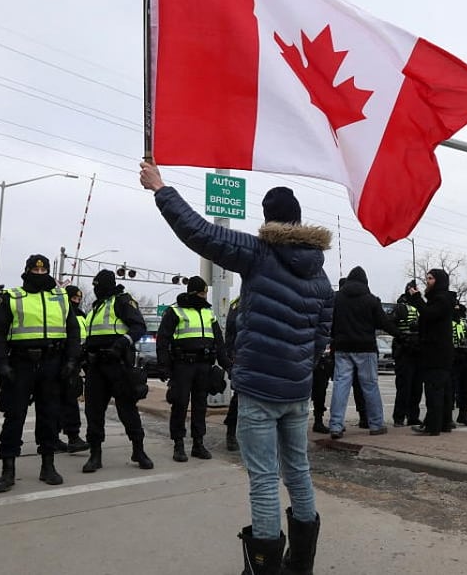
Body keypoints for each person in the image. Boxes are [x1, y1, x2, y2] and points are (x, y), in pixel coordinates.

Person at [141, 163, 331, 575]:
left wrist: (161, 189)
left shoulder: (258, 253)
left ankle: (263, 567)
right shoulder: (321, 276)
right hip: (297, 392)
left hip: (259, 391)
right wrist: (300, 367)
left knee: (263, 479)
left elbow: (199, 232)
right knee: (298, 472)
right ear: (299, 221)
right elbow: (321, 337)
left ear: (267, 220)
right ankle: (301, 565)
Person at [0, 255, 81, 493]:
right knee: (14, 417)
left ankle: (48, 466)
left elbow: (73, 332)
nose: (39, 274)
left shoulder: (61, 297)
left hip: (52, 363)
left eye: (43, 270)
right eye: (35, 270)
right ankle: (8, 470)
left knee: (49, 417)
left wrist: (72, 360)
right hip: (21, 364)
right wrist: (1, 363)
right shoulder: (12, 297)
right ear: (27, 270)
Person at [82, 269, 151, 472]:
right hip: (95, 366)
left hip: (117, 365)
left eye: (98, 286)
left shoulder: (122, 301)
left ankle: (138, 450)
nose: (95, 289)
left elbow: (139, 327)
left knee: (127, 409)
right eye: (94, 286)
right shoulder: (96, 307)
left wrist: (121, 344)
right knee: (93, 411)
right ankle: (95, 454)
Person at [157, 275, 225, 461]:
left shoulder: (208, 312)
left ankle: (198, 443)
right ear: (195, 292)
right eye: (202, 293)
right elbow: (163, 339)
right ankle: (178, 444)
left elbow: (219, 341)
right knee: (180, 403)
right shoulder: (175, 311)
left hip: (204, 365)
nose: (204, 297)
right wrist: (164, 365)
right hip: (182, 365)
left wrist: (227, 364)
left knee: (200, 405)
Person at [328, 266, 395, 438]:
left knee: (341, 385)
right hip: (366, 347)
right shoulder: (371, 300)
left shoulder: (337, 299)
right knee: (370, 386)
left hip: (342, 347)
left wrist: (334, 337)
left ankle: (335, 425)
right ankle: (376, 424)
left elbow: (329, 321)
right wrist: (401, 335)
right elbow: (383, 323)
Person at [413, 270, 455, 436]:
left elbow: (429, 314)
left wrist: (417, 299)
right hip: (439, 351)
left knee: (434, 389)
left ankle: (433, 425)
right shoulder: (440, 299)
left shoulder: (441, 299)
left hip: (436, 352)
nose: (427, 281)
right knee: (442, 389)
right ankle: (444, 422)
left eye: (430, 278)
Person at [53, 285, 89, 454]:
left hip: (75, 363)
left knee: (69, 400)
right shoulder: (60, 313)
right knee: (58, 402)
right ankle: (61, 437)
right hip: (60, 361)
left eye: (78, 299)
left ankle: (68, 437)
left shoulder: (82, 315)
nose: (76, 301)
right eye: (73, 298)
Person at [390, 281, 423, 428]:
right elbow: (389, 324)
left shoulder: (420, 306)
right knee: (404, 386)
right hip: (404, 351)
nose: (415, 290)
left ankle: (413, 416)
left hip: (418, 350)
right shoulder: (401, 307)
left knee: (417, 387)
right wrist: (401, 337)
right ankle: (399, 417)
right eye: (413, 289)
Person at [450, 302, 467, 427]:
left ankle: (463, 414)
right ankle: (448, 416)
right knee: (451, 389)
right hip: (452, 360)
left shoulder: (466, 323)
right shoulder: (446, 322)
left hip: (466, 359)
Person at [222, 298, 241, 450]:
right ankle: (231, 433)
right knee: (239, 398)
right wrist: (231, 359)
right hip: (242, 358)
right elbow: (231, 335)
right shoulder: (238, 304)